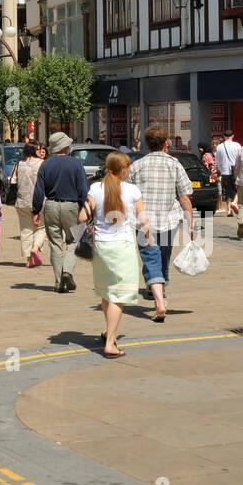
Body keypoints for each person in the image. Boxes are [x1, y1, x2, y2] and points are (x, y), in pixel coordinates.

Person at [80, 152, 153, 359]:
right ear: (124, 169)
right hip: (123, 247)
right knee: (119, 295)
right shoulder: (132, 190)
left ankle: (107, 331)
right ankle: (111, 342)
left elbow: (82, 216)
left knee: (107, 292)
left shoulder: (96, 188)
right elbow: (143, 219)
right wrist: (148, 236)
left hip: (101, 247)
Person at [127, 126, 193, 321]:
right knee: (163, 255)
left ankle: (158, 295)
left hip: (143, 222)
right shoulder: (174, 164)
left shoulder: (136, 166)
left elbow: (128, 195)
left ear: (147, 144)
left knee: (151, 258)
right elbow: (184, 196)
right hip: (169, 221)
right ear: (166, 143)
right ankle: (159, 295)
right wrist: (191, 223)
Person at [31, 132, 88, 292]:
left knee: (55, 244)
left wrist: (36, 211)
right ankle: (67, 271)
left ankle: (58, 283)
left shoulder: (45, 164)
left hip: (50, 206)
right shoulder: (76, 164)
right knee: (75, 240)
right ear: (66, 146)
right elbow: (83, 188)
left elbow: (38, 190)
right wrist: (85, 207)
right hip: (72, 207)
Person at [15, 143, 46, 268]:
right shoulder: (41, 163)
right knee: (42, 227)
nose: (40, 151)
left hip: (22, 201)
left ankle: (29, 260)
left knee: (25, 230)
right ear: (34, 150)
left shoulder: (19, 163)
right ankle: (35, 248)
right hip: (38, 200)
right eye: (38, 149)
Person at [215, 129, 241, 216]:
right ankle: (234, 202)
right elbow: (240, 159)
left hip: (225, 172)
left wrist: (221, 169)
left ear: (224, 136)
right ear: (233, 136)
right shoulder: (237, 145)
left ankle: (229, 210)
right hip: (236, 171)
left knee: (226, 191)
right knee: (238, 188)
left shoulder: (219, 147)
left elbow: (218, 161)